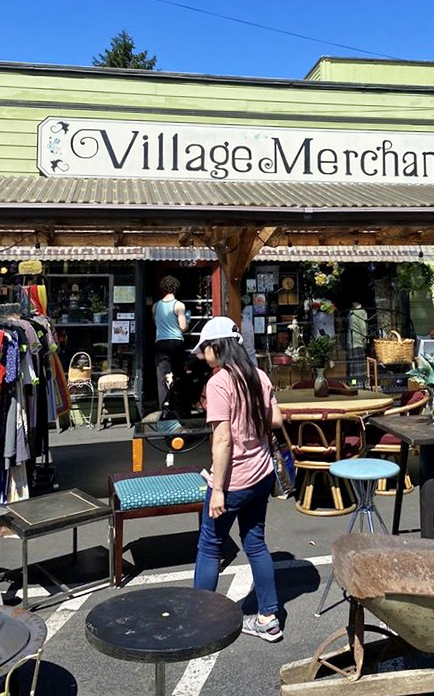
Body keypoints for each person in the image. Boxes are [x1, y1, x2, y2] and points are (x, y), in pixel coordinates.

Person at [192, 315, 283, 642]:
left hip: (233, 481)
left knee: (209, 545)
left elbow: (223, 441)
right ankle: (269, 617)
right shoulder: (258, 375)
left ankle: (202, 621)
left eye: (205, 348)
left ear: (218, 346)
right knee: (255, 543)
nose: (203, 355)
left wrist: (217, 490)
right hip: (261, 475)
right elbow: (276, 420)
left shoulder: (218, 383)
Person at [152, 275, 188, 410]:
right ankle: (179, 404)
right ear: (175, 288)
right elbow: (183, 327)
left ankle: (164, 406)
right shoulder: (179, 305)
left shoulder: (155, 306)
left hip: (161, 342)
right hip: (176, 342)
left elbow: (156, 323)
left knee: (162, 375)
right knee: (178, 373)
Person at [345, 301, 368, 386]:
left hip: (357, 342)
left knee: (357, 366)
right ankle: (354, 384)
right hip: (352, 342)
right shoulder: (352, 312)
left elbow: (363, 328)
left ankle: (359, 384)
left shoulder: (360, 312)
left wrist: (364, 341)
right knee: (354, 366)